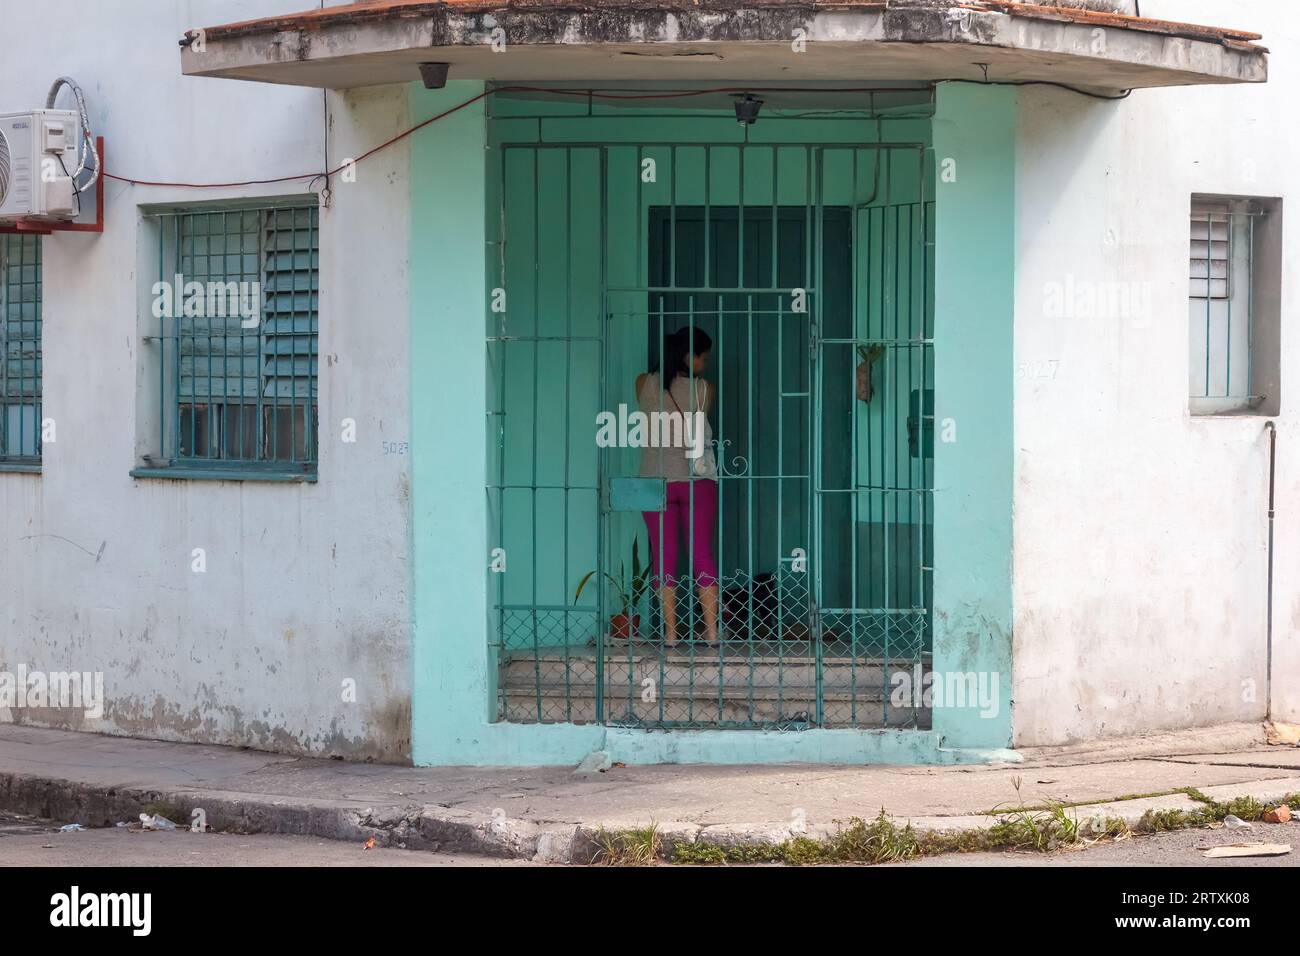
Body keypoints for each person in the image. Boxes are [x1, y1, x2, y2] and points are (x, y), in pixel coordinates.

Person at [636, 327, 719, 645]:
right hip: (696, 481)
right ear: (689, 355)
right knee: (702, 555)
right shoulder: (704, 390)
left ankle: (670, 634)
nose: (706, 362)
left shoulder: (643, 383)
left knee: (663, 556)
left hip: (654, 482)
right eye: (704, 356)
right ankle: (712, 631)